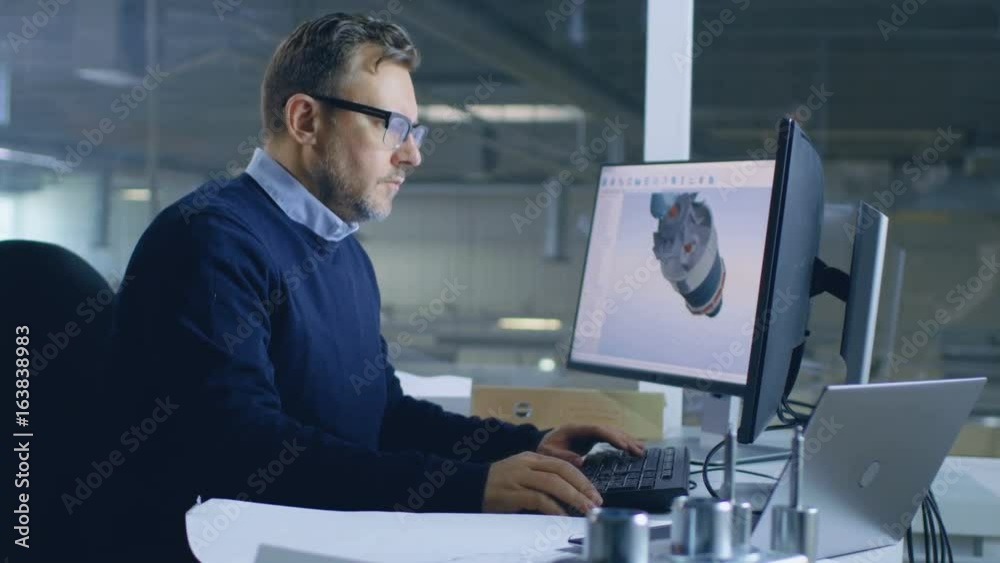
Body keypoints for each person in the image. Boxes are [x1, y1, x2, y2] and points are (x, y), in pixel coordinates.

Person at [102, 12, 644, 559]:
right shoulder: (210, 241)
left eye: (415, 130)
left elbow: (383, 415)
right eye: (393, 126)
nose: (412, 154)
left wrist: (528, 447)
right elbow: (246, 452)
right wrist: (470, 488)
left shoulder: (345, 253)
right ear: (306, 120)